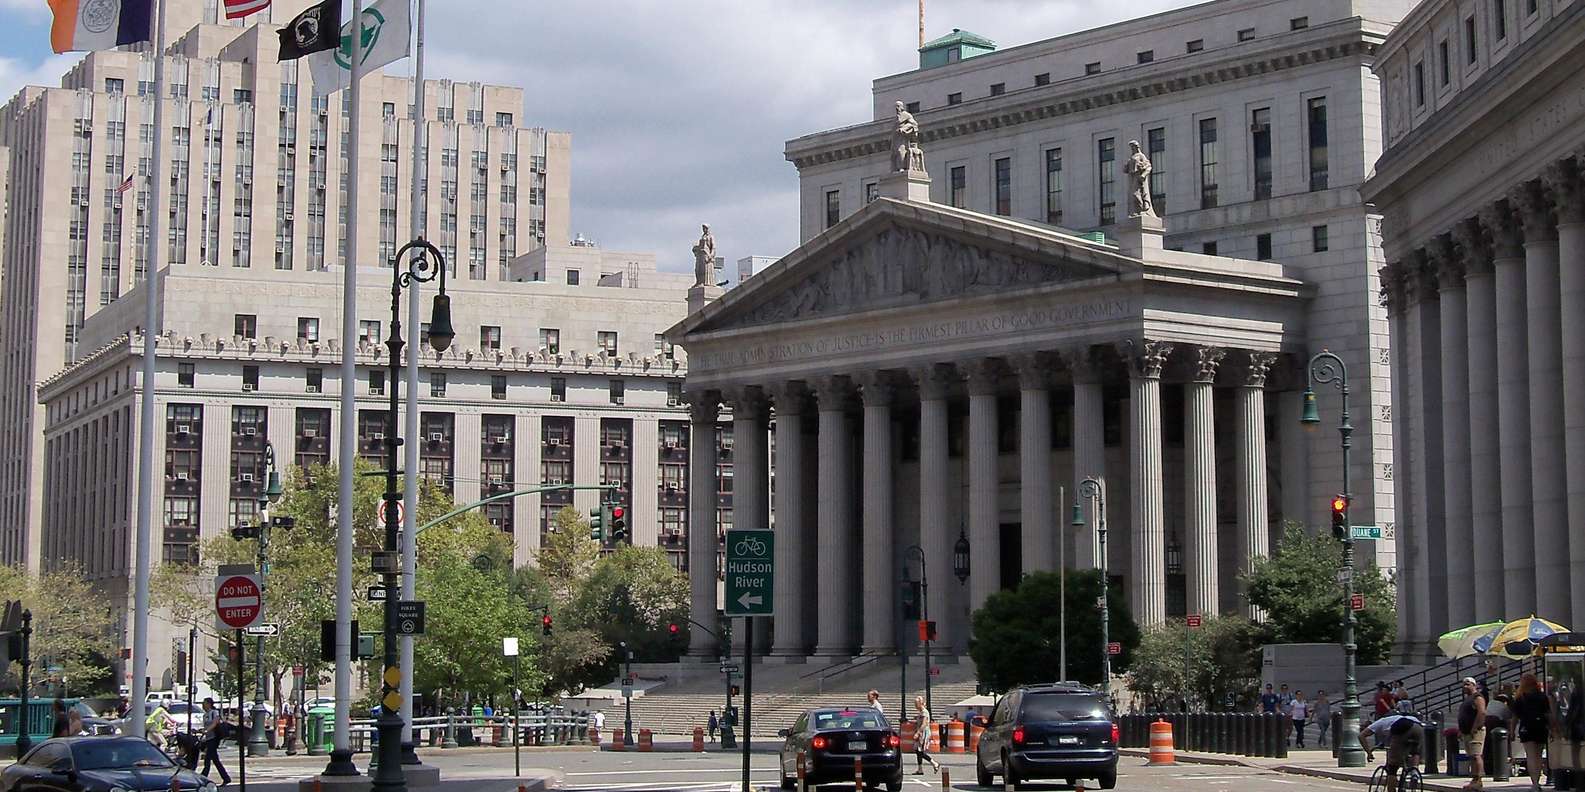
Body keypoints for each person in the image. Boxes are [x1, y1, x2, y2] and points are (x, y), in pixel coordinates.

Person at [1511, 672, 1552, 791]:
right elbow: (1548, 714)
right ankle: (1538, 781)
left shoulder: (1521, 697)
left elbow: (1515, 717)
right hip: (1541, 726)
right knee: (1538, 756)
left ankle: (1535, 783)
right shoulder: (1542, 696)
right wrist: (1554, 729)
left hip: (1526, 727)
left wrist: (1512, 731)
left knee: (1531, 756)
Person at [1363, 714, 1423, 792]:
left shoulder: (1378, 724)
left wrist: (1370, 752)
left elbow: (1362, 735)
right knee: (1415, 750)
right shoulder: (1391, 719)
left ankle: (1392, 790)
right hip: (1418, 727)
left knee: (1392, 767)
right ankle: (1414, 772)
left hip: (1403, 727)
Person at [1458, 676, 1488, 790]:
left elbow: (1482, 713)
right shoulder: (1468, 698)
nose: (1465, 687)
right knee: (1471, 756)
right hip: (1466, 732)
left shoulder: (1478, 697)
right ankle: (1474, 779)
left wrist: (1475, 728)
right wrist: (1461, 730)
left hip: (1476, 732)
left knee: (1476, 755)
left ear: (1474, 685)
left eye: (1468, 684)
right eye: (1464, 684)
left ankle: (1478, 780)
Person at [200, 698, 232, 787]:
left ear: (209, 704)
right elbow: (206, 726)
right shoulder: (205, 715)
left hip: (214, 738)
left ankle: (202, 779)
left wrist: (207, 730)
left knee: (207, 760)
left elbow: (215, 723)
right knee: (215, 760)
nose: (203, 705)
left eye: (204, 703)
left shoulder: (214, 712)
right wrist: (202, 731)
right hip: (208, 739)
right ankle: (226, 778)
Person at [911, 695, 941, 775]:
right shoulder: (920, 712)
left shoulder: (925, 712)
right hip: (920, 732)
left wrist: (918, 733)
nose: (915, 705)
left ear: (920, 703)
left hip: (923, 732)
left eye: (916, 703)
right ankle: (920, 769)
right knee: (918, 750)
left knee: (920, 751)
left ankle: (934, 763)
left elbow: (924, 724)